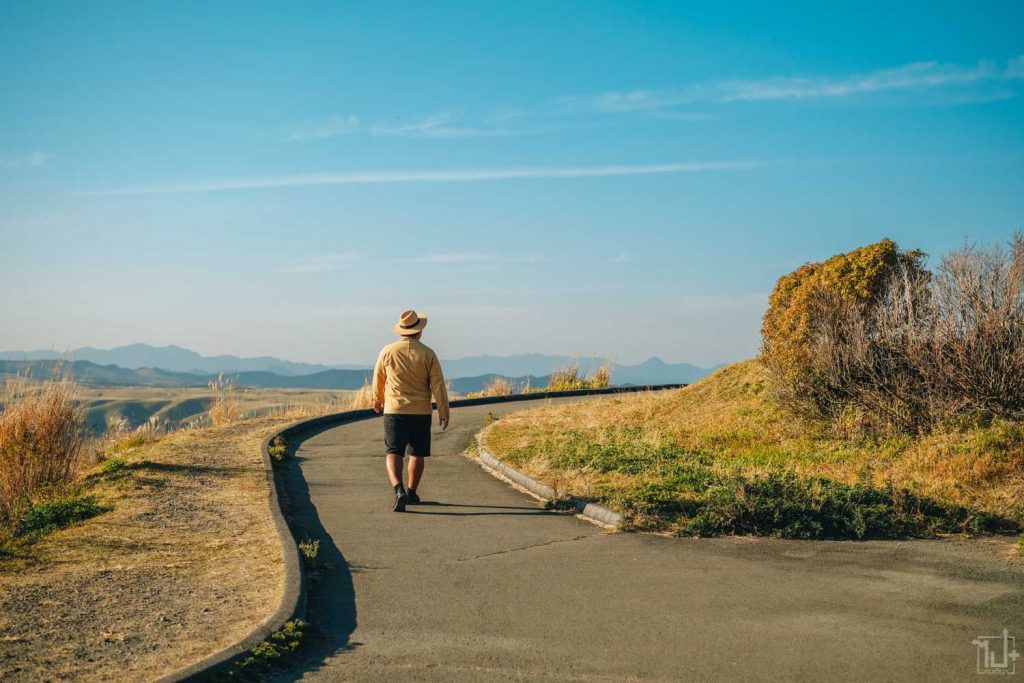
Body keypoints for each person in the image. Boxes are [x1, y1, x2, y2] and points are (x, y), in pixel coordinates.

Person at [372, 310, 450, 512]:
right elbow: (438, 384)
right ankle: (412, 492)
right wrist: (443, 410)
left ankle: (398, 489)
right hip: (421, 411)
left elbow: (378, 378)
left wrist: (377, 400)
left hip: (394, 409)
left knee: (393, 452)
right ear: (419, 331)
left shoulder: (387, 351)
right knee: (417, 453)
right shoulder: (428, 353)